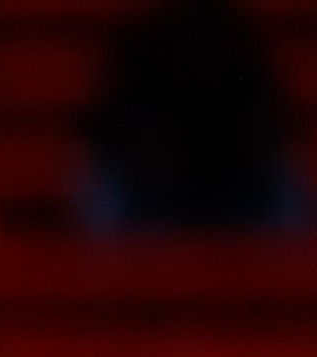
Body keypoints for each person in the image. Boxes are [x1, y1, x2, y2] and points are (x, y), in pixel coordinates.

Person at [84, 0, 305, 232]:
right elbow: (110, 122)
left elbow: (272, 118)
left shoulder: (241, 37)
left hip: (239, 181)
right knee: (101, 182)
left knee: (287, 183)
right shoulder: (142, 38)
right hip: (150, 185)